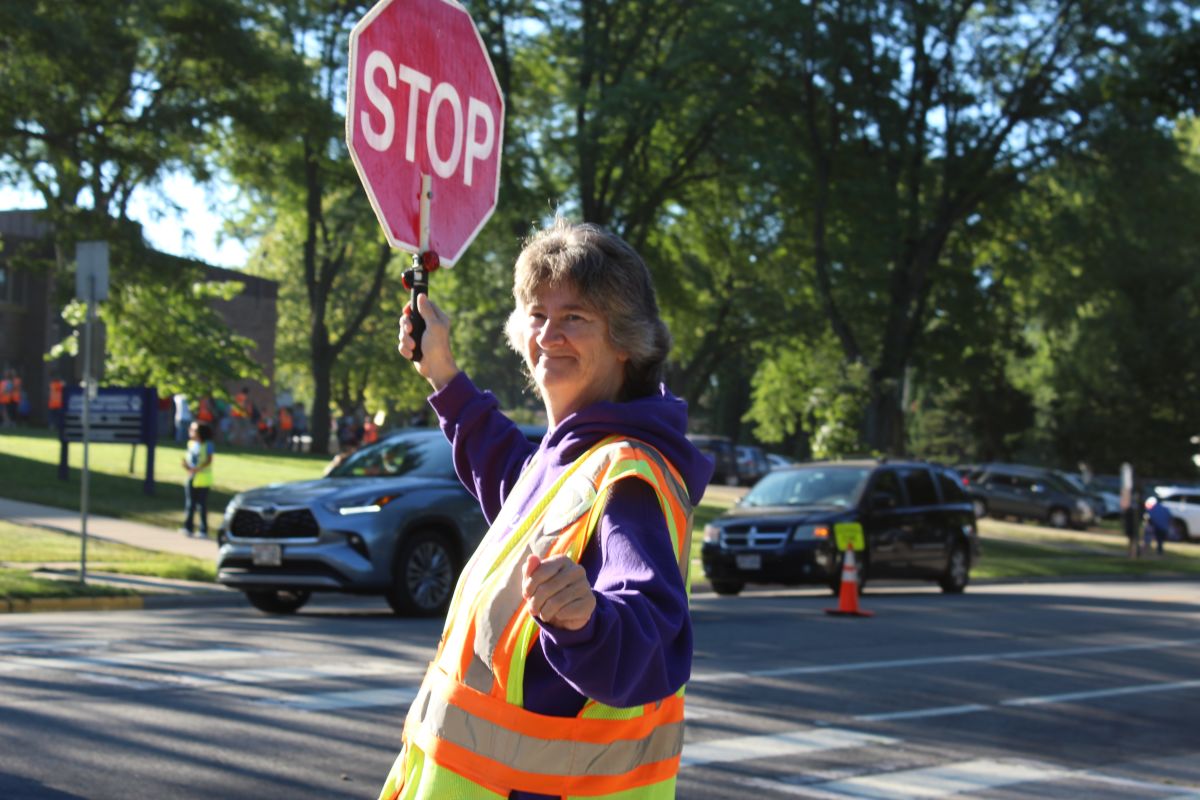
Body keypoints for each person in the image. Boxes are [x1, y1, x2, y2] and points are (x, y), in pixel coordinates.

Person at [381, 220, 713, 800]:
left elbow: (652, 641)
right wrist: (441, 369)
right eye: (538, 315)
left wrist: (586, 621)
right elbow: (507, 469)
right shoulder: (569, 456)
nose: (549, 334)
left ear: (626, 342)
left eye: (575, 318)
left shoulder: (628, 476)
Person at [180, 421, 215, 538]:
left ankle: (203, 530)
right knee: (190, 504)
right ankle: (188, 527)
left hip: (203, 478)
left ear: (200, 432)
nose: (190, 431)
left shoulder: (208, 445)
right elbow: (189, 459)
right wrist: (186, 466)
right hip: (192, 477)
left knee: (202, 505)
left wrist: (197, 469)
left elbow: (209, 460)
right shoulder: (191, 444)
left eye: (193, 430)